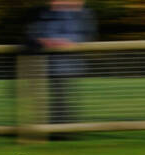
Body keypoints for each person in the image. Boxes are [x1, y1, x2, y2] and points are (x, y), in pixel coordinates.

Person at [26, 0, 97, 131]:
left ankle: (61, 130)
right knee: (48, 99)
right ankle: (54, 129)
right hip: (43, 64)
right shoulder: (44, 13)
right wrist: (41, 40)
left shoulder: (80, 14)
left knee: (61, 99)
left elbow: (83, 35)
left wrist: (60, 41)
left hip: (65, 65)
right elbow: (33, 33)